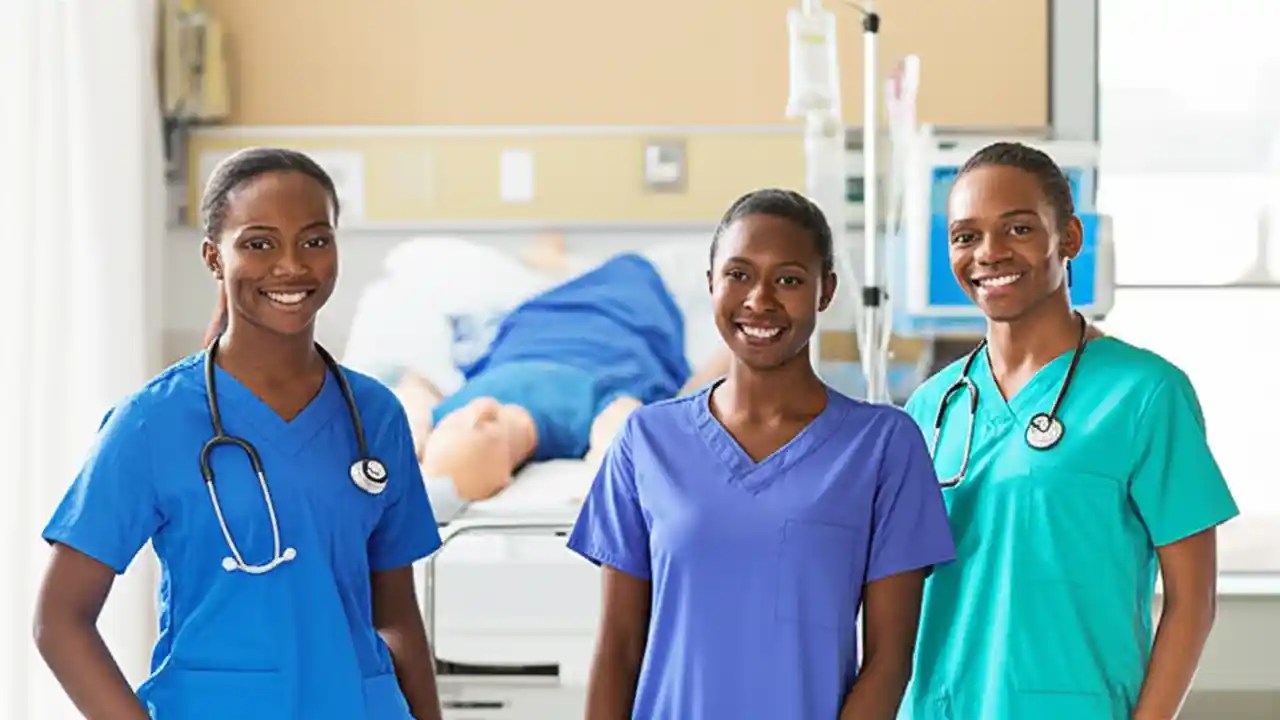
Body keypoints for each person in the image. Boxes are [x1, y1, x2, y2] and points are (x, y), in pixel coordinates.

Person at [32, 147, 446, 719]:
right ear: (214, 257)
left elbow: (395, 614)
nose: (291, 265)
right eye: (259, 243)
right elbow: (59, 620)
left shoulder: (375, 415)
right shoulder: (154, 422)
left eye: (314, 240)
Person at [566, 188, 957, 719]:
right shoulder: (647, 441)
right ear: (712, 282)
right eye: (739, 274)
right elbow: (618, 650)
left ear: (825, 291)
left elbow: (889, 662)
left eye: (789, 280)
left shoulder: (883, 446)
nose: (760, 299)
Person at [898, 142, 1240, 720]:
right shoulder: (931, 407)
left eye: (1019, 228)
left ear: (1070, 238)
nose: (989, 253)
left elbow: (1193, 602)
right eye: (966, 236)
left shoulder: (1144, 395)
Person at [391, 247, 731, 506]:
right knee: (633, 271)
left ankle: (554, 260)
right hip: (616, 321)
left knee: (551, 282)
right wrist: (602, 470)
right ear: (506, 480)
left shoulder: (439, 420)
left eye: (457, 422)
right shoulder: (573, 423)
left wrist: (415, 424)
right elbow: (621, 423)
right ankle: (560, 260)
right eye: (485, 429)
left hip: (539, 320)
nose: (478, 411)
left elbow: (415, 382)